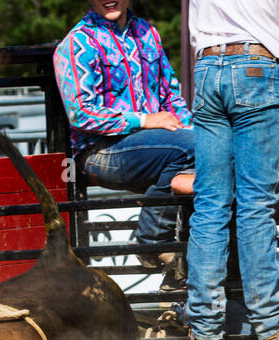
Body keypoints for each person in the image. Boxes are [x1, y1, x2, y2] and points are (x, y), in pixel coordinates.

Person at [184, 0, 279, 340]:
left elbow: (192, 31)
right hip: (256, 69)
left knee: (210, 204)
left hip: (206, 69)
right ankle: (270, 319)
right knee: (255, 206)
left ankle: (203, 324)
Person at [53, 0, 194, 272]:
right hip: (99, 153)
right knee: (193, 150)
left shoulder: (147, 33)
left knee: (208, 152)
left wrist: (189, 128)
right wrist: (143, 120)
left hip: (155, 147)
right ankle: (154, 241)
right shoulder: (76, 43)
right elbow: (81, 113)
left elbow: (170, 94)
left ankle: (181, 275)